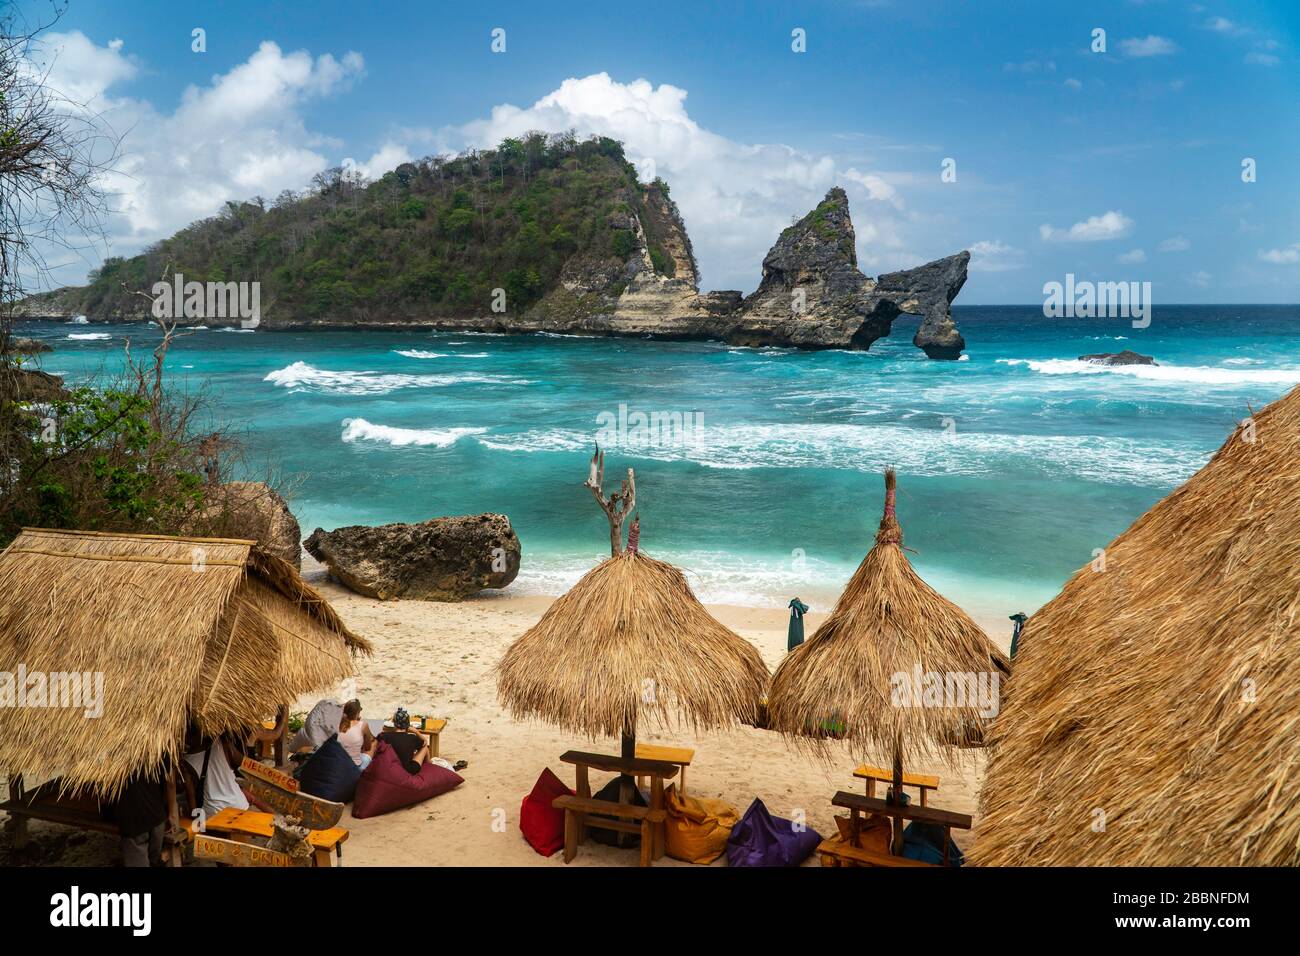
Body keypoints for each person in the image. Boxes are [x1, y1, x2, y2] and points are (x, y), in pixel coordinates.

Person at [182, 724, 250, 820]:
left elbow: (191, 795)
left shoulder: (186, 762)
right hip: (238, 807)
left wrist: (195, 818)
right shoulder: (223, 744)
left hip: (213, 812)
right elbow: (246, 765)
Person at [111, 762, 168, 867]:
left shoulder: (111, 758)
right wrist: (172, 814)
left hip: (134, 823)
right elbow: (170, 782)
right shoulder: (156, 752)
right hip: (157, 818)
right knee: (154, 861)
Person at [377, 708, 429, 775]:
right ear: (408, 724)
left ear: (394, 723)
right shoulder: (412, 738)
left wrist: (389, 729)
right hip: (408, 770)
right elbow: (425, 742)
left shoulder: (385, 736)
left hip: (391, 768)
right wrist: (416, 731)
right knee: (425, 748)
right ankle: (430, 765)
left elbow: (379, 735)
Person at [338, 699, 377, 769]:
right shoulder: (363, 725)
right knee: (374, 743)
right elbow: (367, 747)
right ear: (357, 712)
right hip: (355, 768)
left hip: (339, 765)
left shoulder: (338, 724)